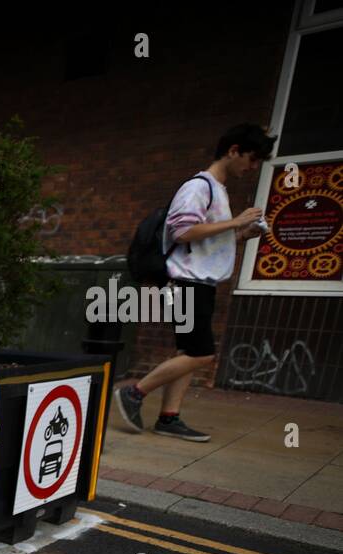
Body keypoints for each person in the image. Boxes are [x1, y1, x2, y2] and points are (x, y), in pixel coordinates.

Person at [115, 123, 276, 442]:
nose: (253, 167)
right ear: (233, 151)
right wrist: (236, 221)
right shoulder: (199, 187)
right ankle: (133, 393)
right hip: (184, 283)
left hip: (198, 283)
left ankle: (169, 418)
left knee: (187, 350)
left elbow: (204, 241)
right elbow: (182, 232)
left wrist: (242, 234)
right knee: (202, 353)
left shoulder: (218, 190)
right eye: (252, 158)